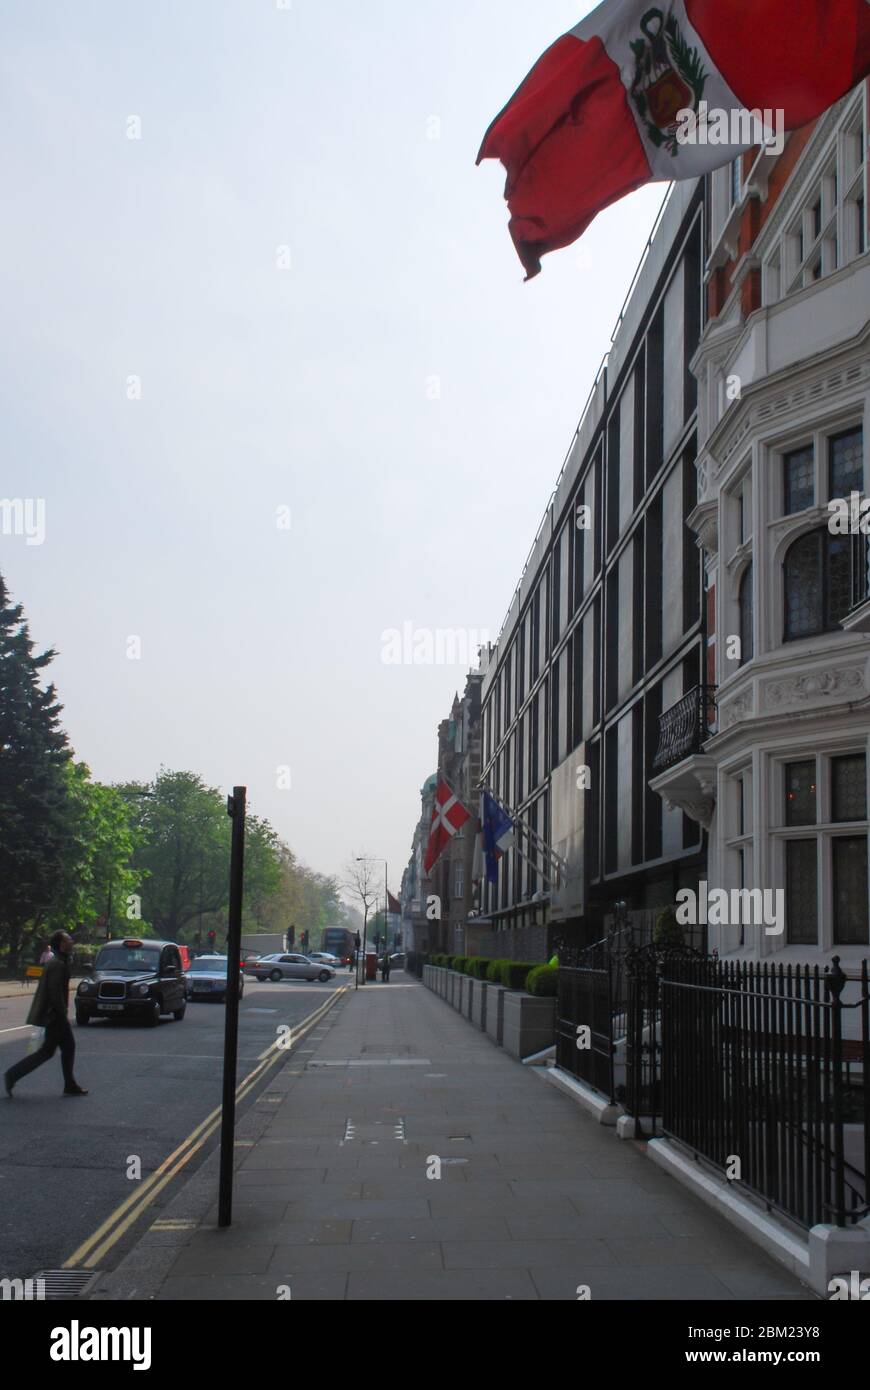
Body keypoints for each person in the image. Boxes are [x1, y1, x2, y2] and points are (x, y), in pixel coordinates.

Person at [4, 931, 88, 1098]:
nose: (71, 941)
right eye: (68, 939)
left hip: (54, 1014)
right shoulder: (58, 964)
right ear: (62, 944)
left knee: (61, 1048)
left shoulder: (58, 961)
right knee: (48, 1051)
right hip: (55, 1015)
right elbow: (54, 991)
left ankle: (69, 1084)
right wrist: (62, 1013)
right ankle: (12, 1075)